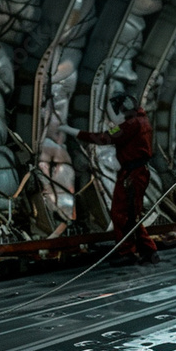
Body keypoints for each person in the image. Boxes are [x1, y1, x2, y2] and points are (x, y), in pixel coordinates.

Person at [59, 93, 158, 265]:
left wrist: (71, 131)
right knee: (131, 214)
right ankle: (148, 250)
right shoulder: (141, 120)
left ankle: (128, 252)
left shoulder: (130, 125)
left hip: (132, 174)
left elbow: (103, 137)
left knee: (122, 214)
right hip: (136, 172)